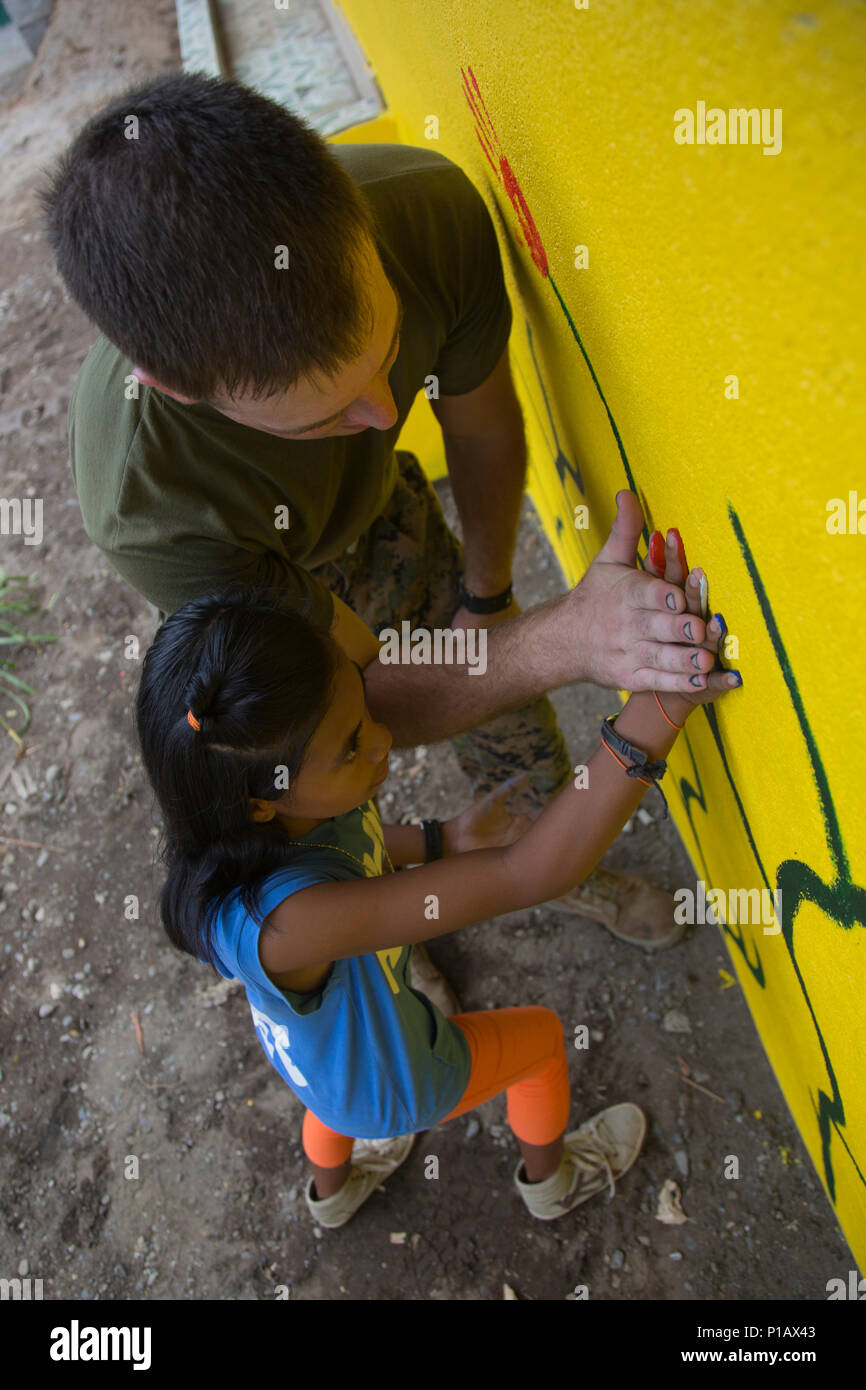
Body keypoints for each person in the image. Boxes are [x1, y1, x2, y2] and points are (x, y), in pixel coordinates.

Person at [42, 70, 725, 966]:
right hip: (270, 582)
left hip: (381, 524)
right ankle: (373, 948)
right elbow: (357, 706)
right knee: (326, 786)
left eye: (391, 353)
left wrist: (490, 602)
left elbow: (478, 427)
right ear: (175, 390)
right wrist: (566, 643)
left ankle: (532, 857)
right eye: (325, 416)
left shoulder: (427, 210)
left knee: (492, 705)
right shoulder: (153, 512)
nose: (382, 417)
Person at [134, 523, 741, 1227]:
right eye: (353, 744)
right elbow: (528, 873)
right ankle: (551, 1182)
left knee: (330, 1110)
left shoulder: (241, 830)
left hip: (317, 1064)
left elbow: (355, 847)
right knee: (542, 1040)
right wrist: (661, 703)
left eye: (363, 714)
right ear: (265, 797)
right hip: (394, 1080)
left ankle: (331, 1197)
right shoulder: (293, 924)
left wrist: (441, 838)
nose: (385, 740)